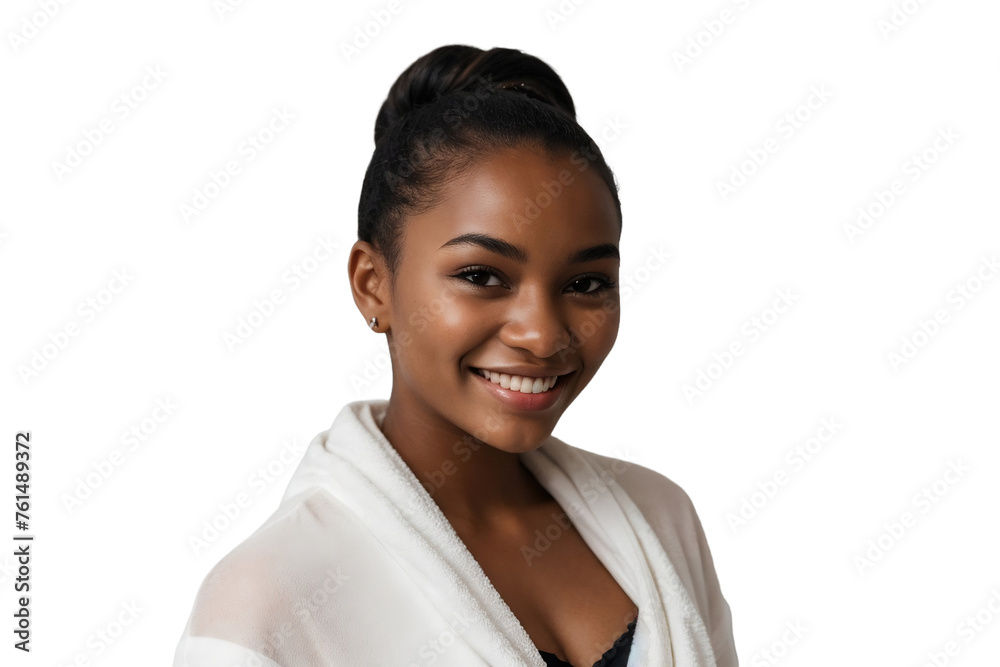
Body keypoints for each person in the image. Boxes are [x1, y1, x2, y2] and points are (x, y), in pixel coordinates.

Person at [173, 44, 738, 667]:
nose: (544, 335)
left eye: (586, 284)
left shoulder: (660, 518)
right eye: (481, 275)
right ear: (373, 283)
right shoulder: (268, 602)